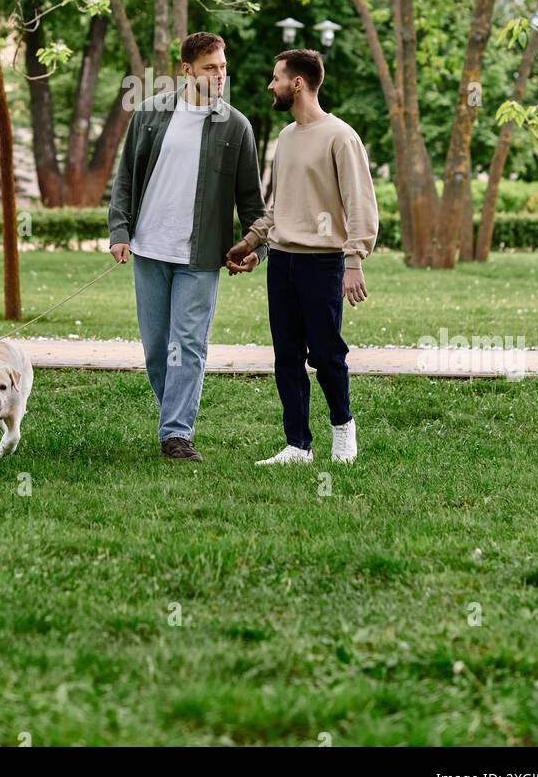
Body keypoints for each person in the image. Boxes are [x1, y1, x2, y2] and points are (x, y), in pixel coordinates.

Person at [108, 32, 267, 461]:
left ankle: (176, 434)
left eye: (222, 67)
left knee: (189, 345)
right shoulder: (149, 115)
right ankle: (173, 419)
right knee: (158, 348)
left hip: (200, 258)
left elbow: (253, 204)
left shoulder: (236, 126)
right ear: (186, 71)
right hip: (149, 249)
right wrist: (120, 232)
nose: (219, 76)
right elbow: (125, 179)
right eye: (209, 68)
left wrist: (256, 248)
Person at [226, 49, 378, 466]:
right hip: (283, 261)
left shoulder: (340, 136)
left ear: (296, 83)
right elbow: (278, 206)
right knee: (287, 355)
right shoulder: (286, 138)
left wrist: (353, 261)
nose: (270, 86)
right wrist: (253, 241)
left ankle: (343, 428)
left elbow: (360, 203)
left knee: (327, 354)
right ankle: (297, 445)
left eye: (276, 78)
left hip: (323, 263)